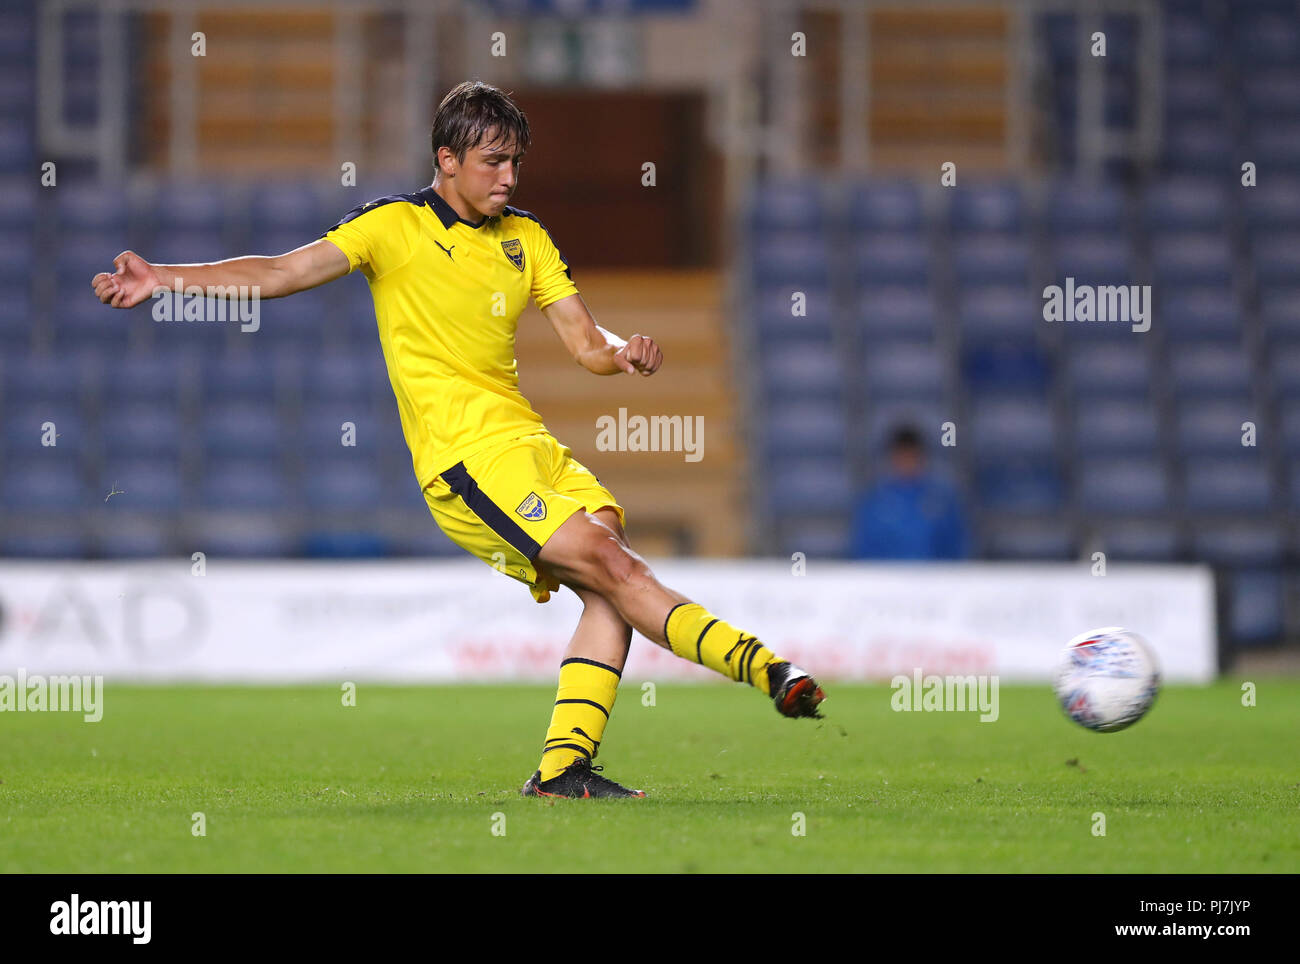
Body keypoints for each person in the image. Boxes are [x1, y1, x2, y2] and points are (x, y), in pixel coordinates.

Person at [91, 80, 826, 799]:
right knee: (614, 566)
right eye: (492, 163)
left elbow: (582, 340)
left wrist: (618, 352)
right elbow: (283, 272)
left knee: (608, 579)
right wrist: (165, 276)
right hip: (464, 460)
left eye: (515, 163)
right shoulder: (393, 228)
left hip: (528, 443)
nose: (509, 177)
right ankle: (767, 669)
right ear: (447, 160)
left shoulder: (528, 238)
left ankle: (563, 773)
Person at [849, 424, 971, 560]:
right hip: (885, 578)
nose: (907, 462)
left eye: (912, 456)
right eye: (902, 456)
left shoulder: (943, 501)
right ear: (892, 458)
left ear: (922, 458)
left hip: (935, 578)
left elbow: (957, 547)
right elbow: (863, 551)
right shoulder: (874, 503)